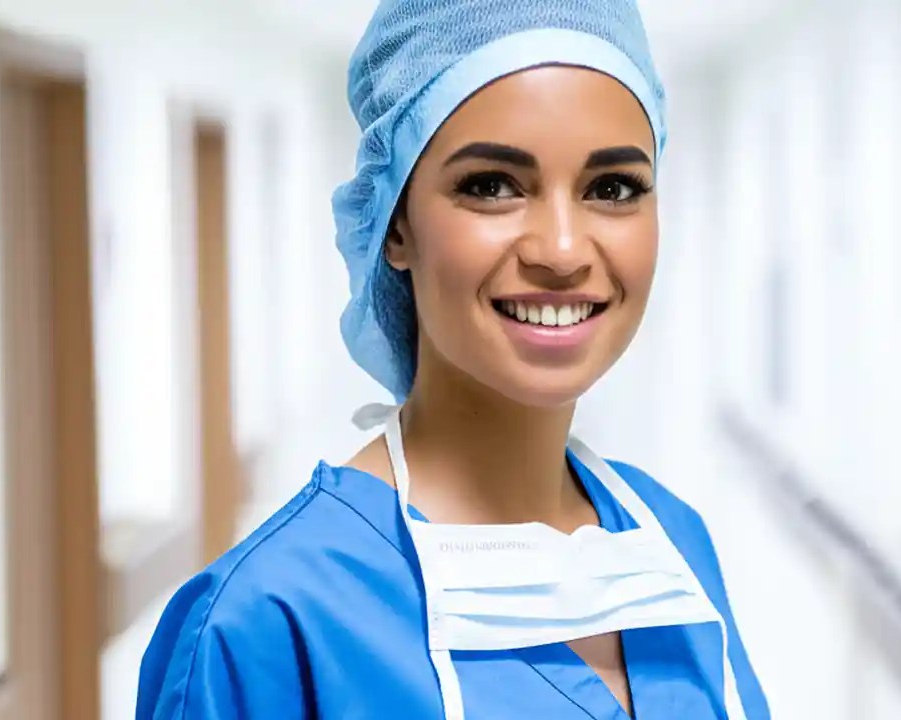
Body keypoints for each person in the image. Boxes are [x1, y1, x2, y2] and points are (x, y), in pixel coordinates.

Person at [137, 1, 770, 717]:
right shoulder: (269, 623)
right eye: (492, 186)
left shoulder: (670, 544)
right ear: (394, 223)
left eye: (612, 188)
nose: (561, 251)